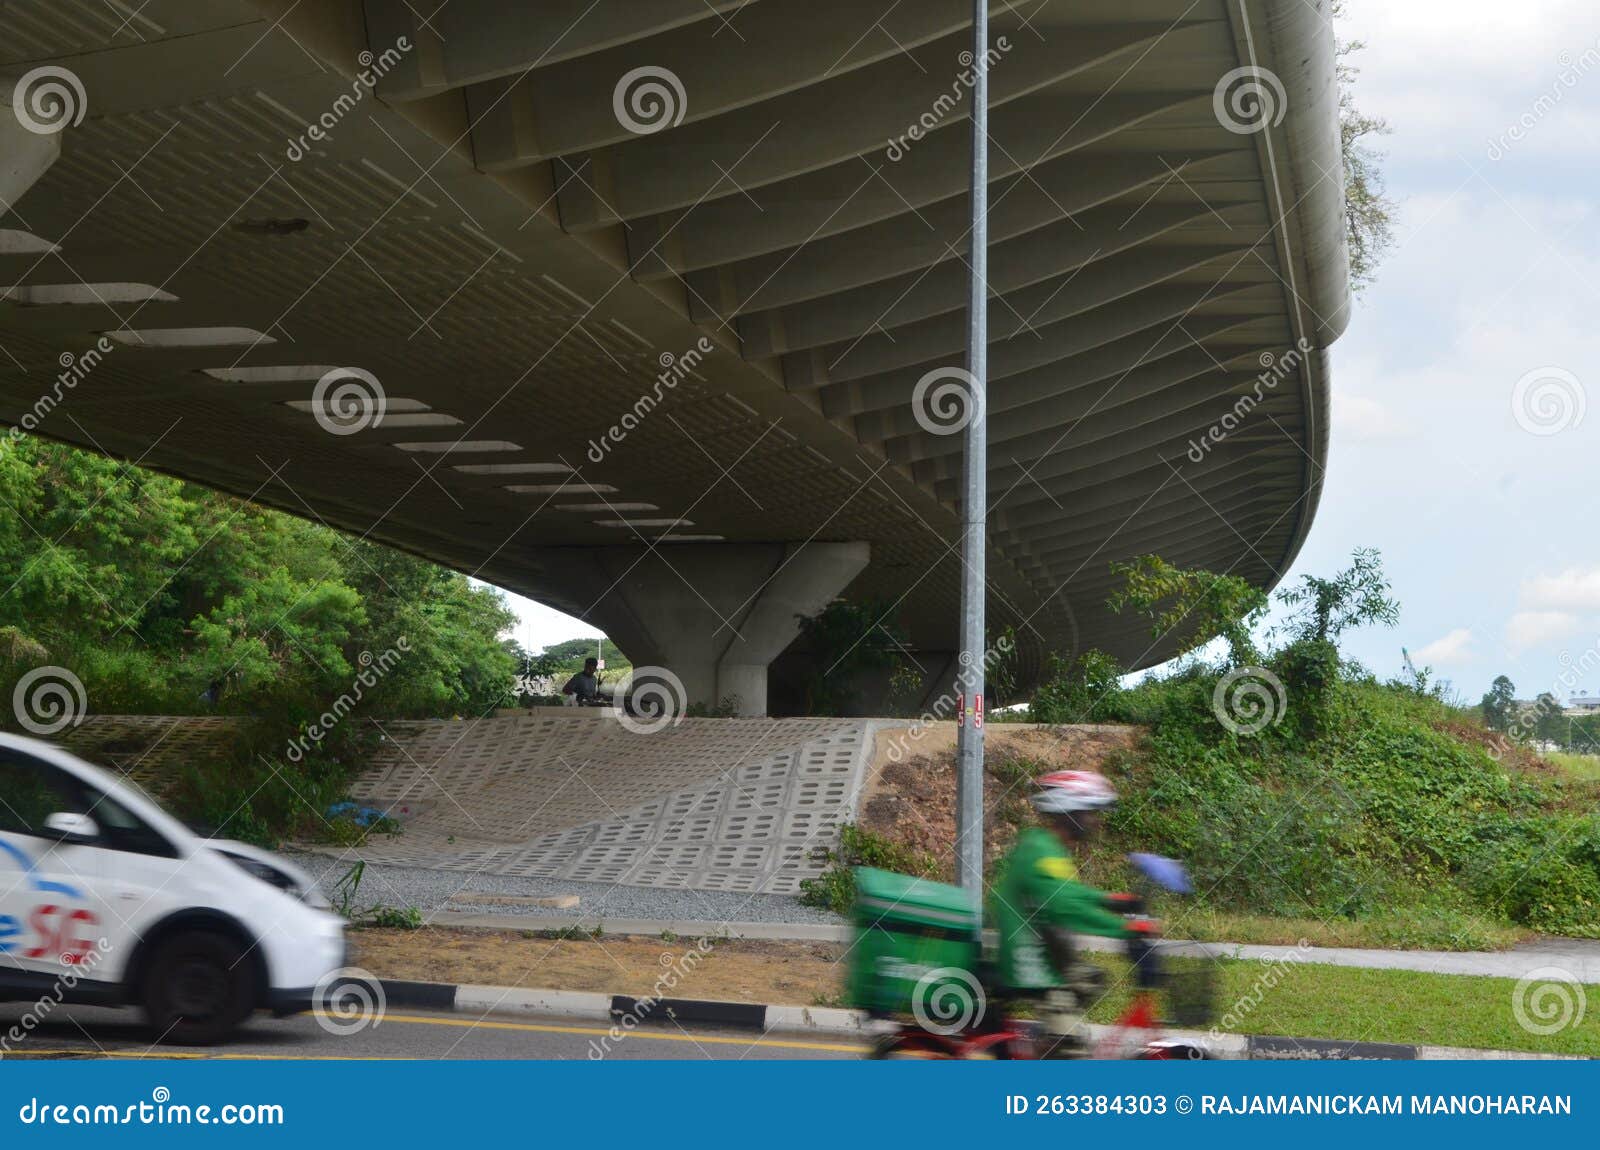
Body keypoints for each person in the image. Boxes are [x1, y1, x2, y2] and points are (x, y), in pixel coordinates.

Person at [989, 770, 1152, 1058]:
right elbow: (1063, 905)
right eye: (1091, 813)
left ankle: (1046, 1045)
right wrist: (1124, 929)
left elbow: (1069, 893)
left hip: (1046, 952)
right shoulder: (1041, 849)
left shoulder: (1047, 846)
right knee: (1073, 1051)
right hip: (1031, 960)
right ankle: (1058, 1048)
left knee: (1090, 978)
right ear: (1069, 813)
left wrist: (1113, 900)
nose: (1096, 821)